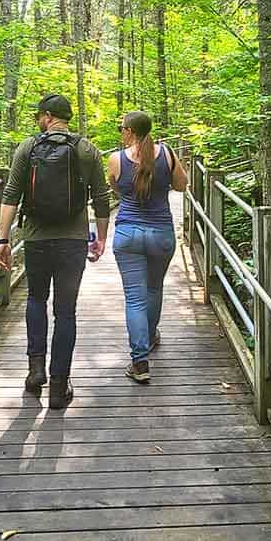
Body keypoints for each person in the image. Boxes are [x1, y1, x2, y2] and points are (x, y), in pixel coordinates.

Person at [0, 94, 110, 409]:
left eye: (38, 116)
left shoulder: (27, 147)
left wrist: (2, 240)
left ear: (47, 116)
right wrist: (100, 238)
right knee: (66, 311)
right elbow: (101, 198)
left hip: (35, 238)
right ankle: (59, 387)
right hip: (72, 241)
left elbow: (10, 196)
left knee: (36, 298)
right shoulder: (87, 150)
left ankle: (35, 371)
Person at [107, 111, 188, 382]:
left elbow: (118, 189)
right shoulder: (167, 153)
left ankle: (140, 362)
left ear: (130, 131)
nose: (120, 132)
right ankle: (151, 336)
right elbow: (181, 185)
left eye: (122, 128)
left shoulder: (116, 159)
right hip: (161, 233)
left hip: (128, 233)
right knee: (153, 289)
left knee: (135, 298)